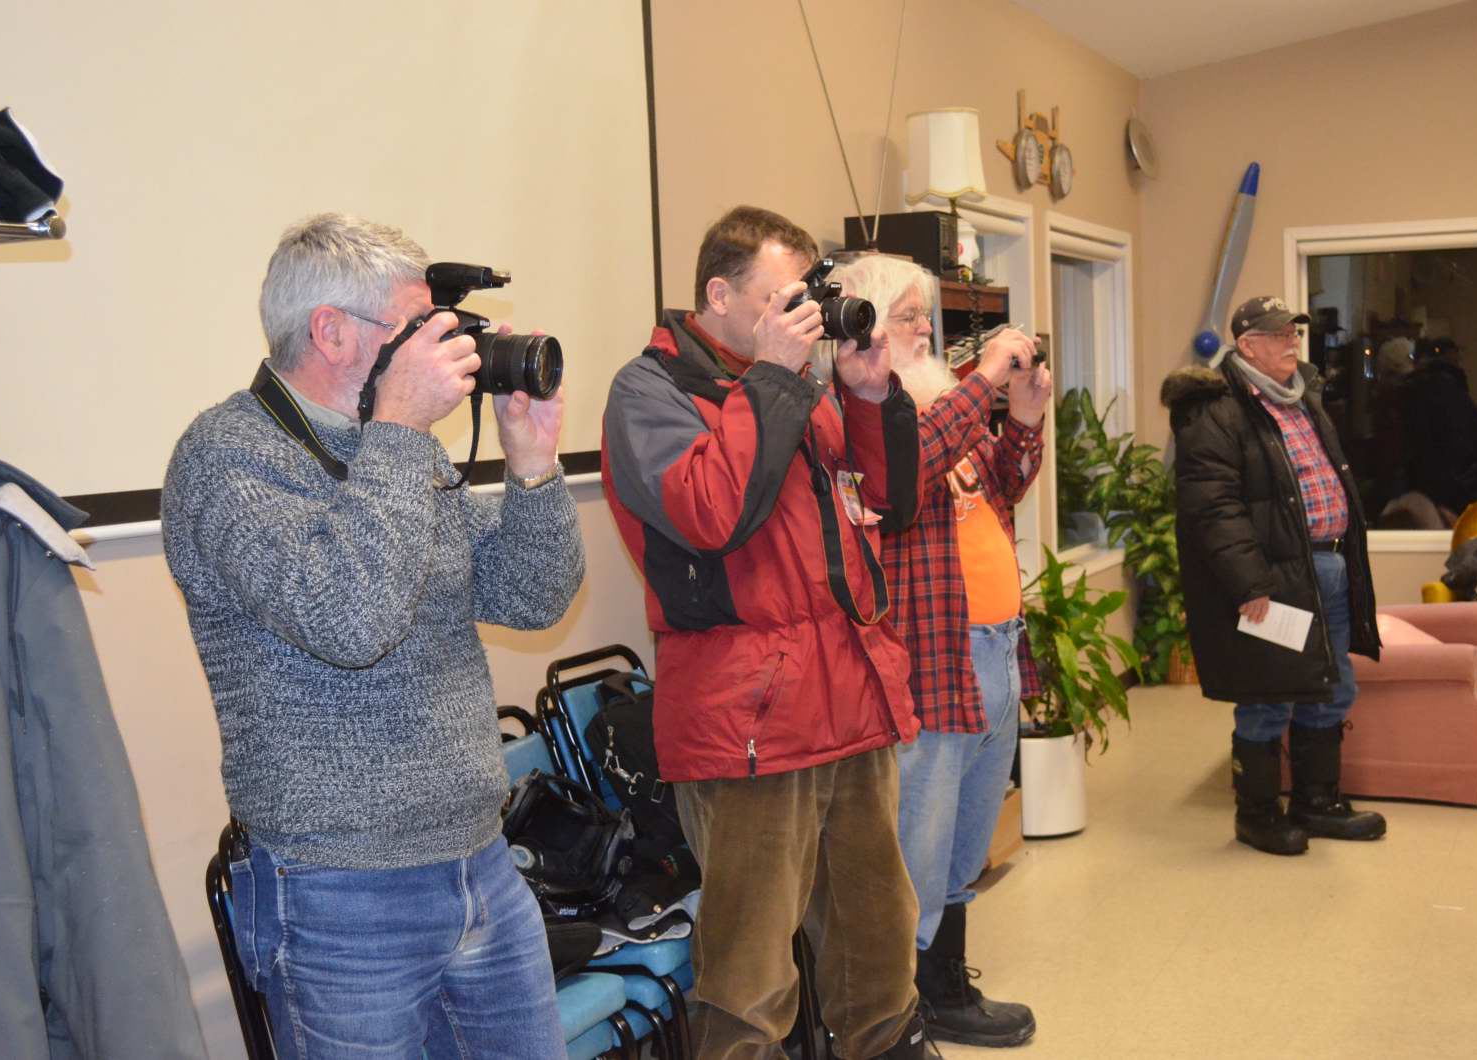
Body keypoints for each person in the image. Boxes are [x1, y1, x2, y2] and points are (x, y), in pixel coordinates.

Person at [162, 213, 583, 1058]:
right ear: (331, 331)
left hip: (481, 865)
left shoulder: (399, 456)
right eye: (415, 326)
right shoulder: (226, 457)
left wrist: (532, 465)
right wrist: (396, 431)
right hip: (339, 895)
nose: (440, 346)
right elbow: (349, 620)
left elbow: (530, 594)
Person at [602, 206, 926, 1059]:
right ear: (718, 293)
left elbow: (886, 504)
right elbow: (711, 514)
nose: (801, 318)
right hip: (745, 720)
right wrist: (778, 381)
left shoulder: (789, 386)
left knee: (878, 940)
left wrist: (864, 393)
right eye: (782, 297)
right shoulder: (647, 392)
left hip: (847, 697)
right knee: (749, 979)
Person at [836, 254, 1049, 1049]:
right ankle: (902, 1007)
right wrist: (985, 383)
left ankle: (946, 986)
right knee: (916, 846)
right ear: (859, 327)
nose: (926, 329)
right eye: (906, 315)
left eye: (926, 314)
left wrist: (1023, 418)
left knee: (962, 837)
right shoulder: (868, 414)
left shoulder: (938, 403)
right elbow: (906, 473)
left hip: (993, 647)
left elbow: (1001, 486)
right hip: (930, 655)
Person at [1161, 296, 1386, 857]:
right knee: (1267, 696)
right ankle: (1257, 814)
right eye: (1279, 334)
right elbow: (1213, 508)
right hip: (1274, 579)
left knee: (1332, 686)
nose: (1292, 342)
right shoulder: (1214, 409)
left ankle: (1317, 802)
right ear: (1248, 345)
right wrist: (1250, 584)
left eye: (1294, 332)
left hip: (1327, 570)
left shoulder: (1302, 396)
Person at [1401, 336, 1477, 519]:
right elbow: (1465, 443)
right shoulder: (1452, 387)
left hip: (1436, 490)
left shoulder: (1419, 390)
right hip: (1461, 489)